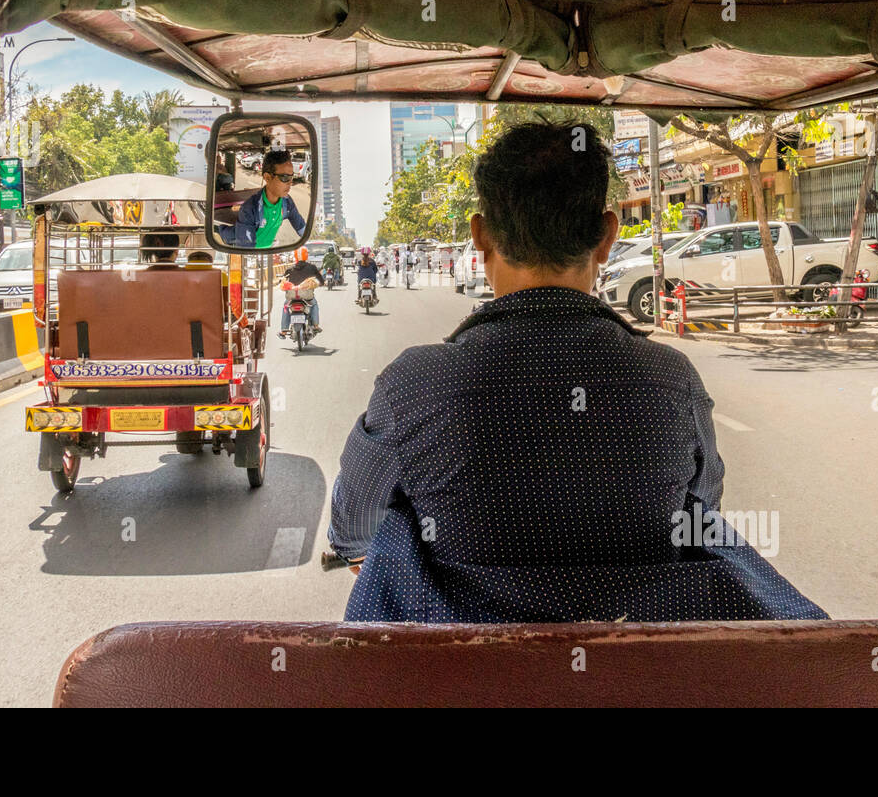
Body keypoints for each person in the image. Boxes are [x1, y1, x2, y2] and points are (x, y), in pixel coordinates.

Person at [327, 121, 826, 624]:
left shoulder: (414, 382)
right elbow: (703, 501)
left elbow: (354, 526)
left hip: (464, 675)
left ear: (480, 236)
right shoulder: (669, 377)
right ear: (608, 236)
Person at [232, 149, 306, 248]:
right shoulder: (249, 209)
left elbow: (302, 229)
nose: (290, 183)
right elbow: (245, 246)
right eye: (285, 177)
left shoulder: (287, 203)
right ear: (267, 177)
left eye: (291, 177)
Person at [278, 247, 322, 338]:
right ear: (306, 255)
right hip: (307, 297)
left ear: (295, 256)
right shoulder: (312, 268)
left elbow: (282, 281)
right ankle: (316, 326)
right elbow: (321, 280)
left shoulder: (289, 269)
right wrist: (320, 283)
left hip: (292, 297)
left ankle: (283, 331)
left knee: (286, 307)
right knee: (314, 305)